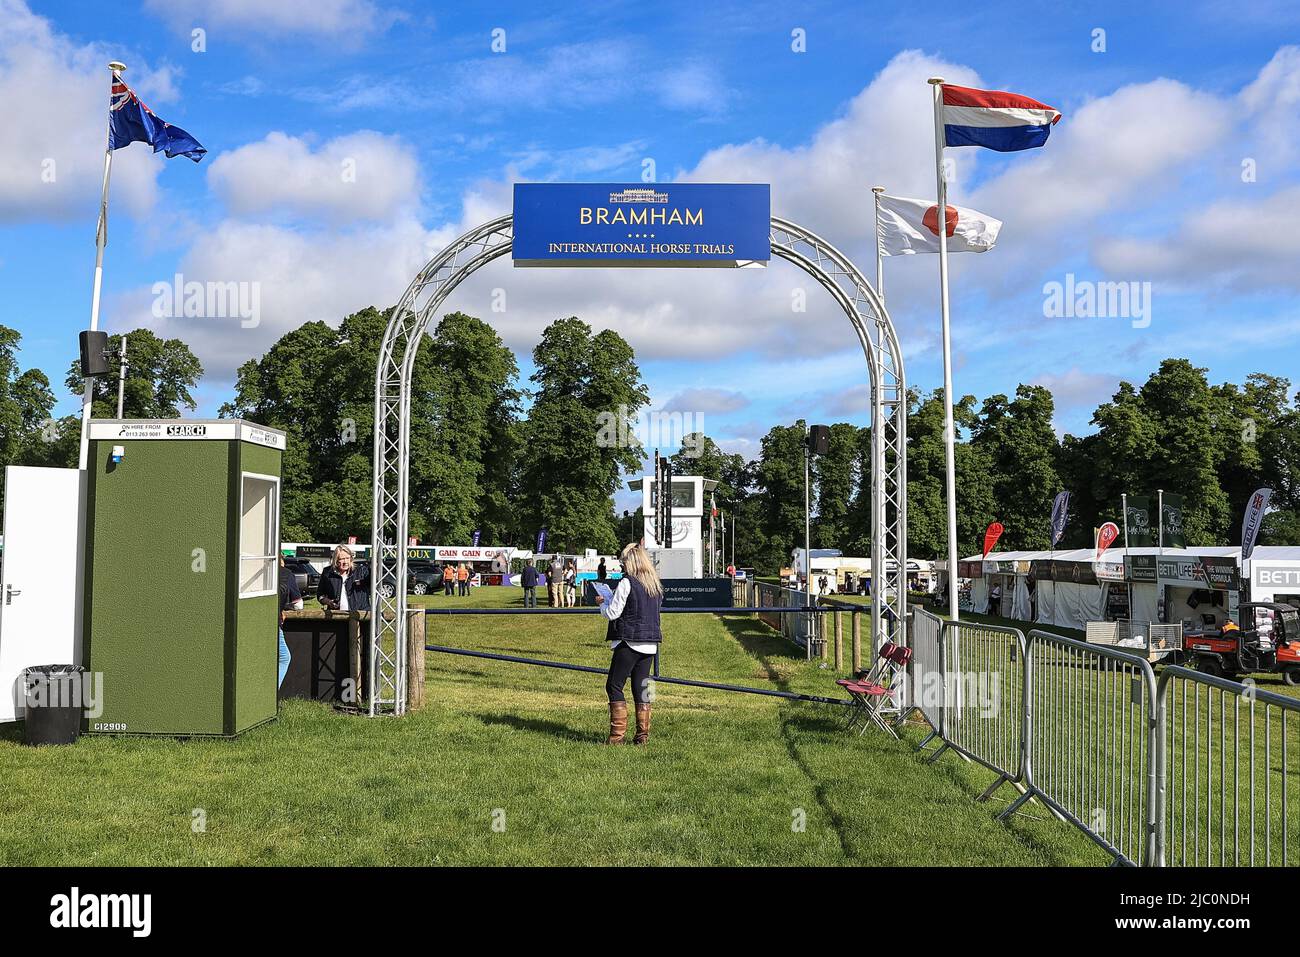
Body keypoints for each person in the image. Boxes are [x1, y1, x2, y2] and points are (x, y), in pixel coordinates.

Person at [596, 542, 663, 745]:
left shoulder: (628, 582)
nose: (622, 565)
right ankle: (642, 736)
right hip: (650, 643)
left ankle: (617, 737)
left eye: (624, 561)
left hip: (629, 641)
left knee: (614, 685)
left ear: (630, 562)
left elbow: (613, 613)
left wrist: (602, 604)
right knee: (641, 688)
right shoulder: (655, 584)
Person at [317, 545, 370, 612]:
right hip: (336, 616)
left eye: (347, 558)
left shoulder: (361, 571)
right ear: (335, 560)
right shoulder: (327, 572)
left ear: (351, 558)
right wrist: (328, 602)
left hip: (359, 615)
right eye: (342, 559)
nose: (345, 562)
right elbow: (320, 594)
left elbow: (373, 582)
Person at [276, 556, 303, 689]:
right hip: (275, 623)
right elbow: (298, 604)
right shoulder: (287, 574)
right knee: (284, 657)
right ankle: (272, 693)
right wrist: (284, 608)